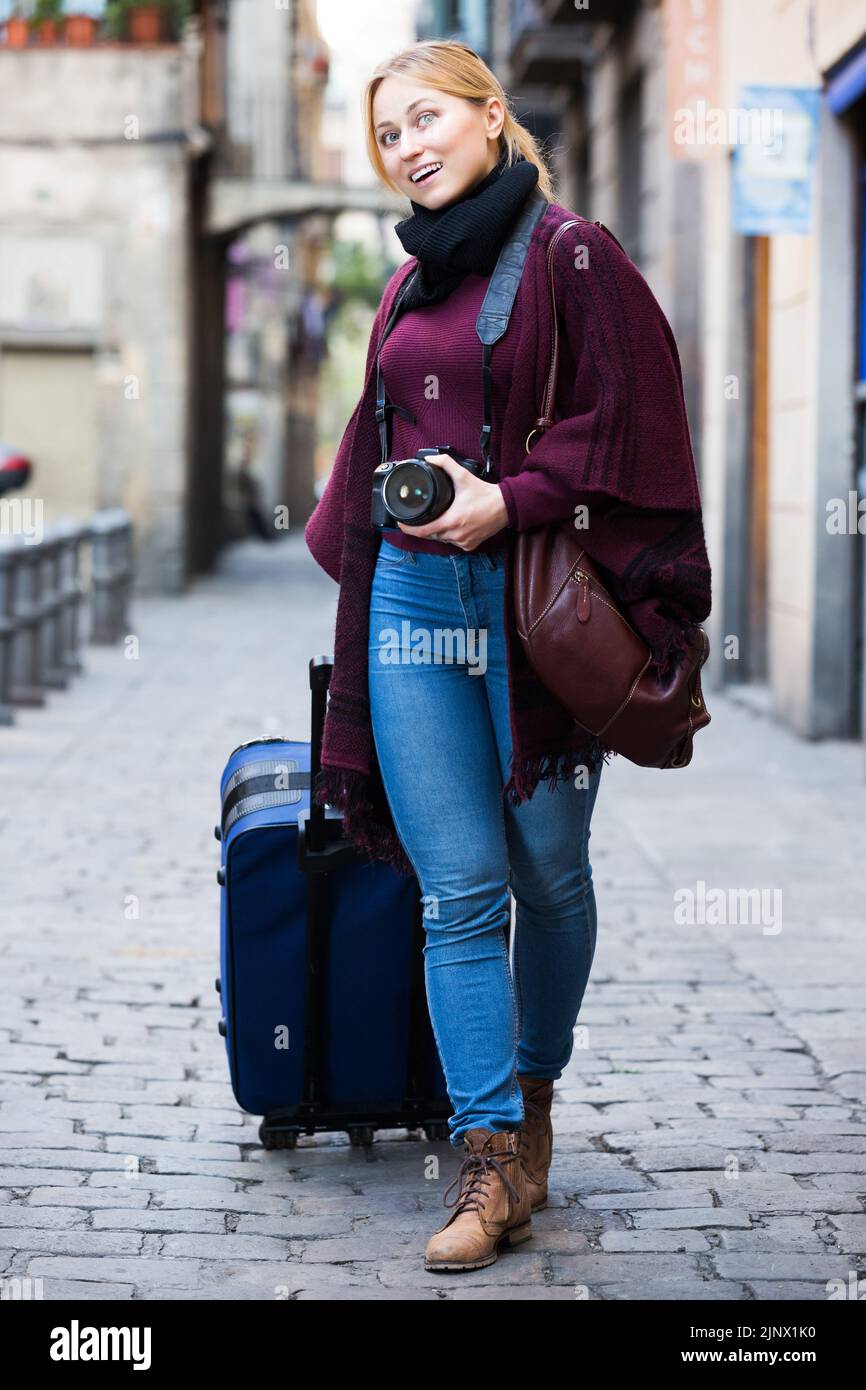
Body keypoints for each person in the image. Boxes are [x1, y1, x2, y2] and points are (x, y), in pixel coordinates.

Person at [304, 40, 712, 1275]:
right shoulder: (403, 283)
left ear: (490, 119)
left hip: (536, 603)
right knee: (458, 890)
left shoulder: (573, 256)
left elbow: (637, 425)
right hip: (413, 604)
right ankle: (487, 1160)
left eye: (425, 119)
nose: (407, 148)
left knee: (546, 869)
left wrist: (514, 498)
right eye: (386, 135)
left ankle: (532, 1094)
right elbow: (382, 429)